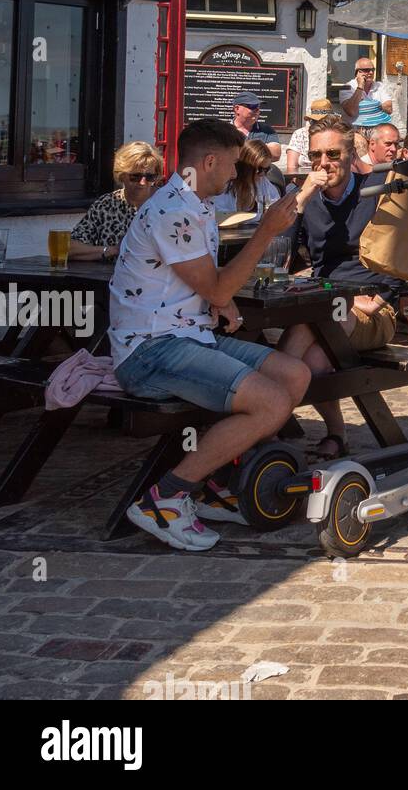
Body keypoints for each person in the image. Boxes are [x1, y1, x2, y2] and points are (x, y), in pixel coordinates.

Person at [110, 120, 307, 551]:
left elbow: (205, 284)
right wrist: (265, 232)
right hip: (149, 349)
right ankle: (166, 498)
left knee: (294, 375)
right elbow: (216, 286)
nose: (236, 174)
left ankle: (218, 484)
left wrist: (222, 300)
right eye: (233, 165)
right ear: (210, 161)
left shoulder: (195, 202)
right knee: (270, 402)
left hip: (189, 335)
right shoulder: (173, 210)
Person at [281, 117, 403, 460]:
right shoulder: (306, 199)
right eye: (316, 155)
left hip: (371, 309)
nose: (323, 163)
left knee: (313, 331)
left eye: (333, 154)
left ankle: (270, 417)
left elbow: (405, 243)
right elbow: (280, 254)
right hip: (324, 301)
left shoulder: (375, 188)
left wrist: (381, 298)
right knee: (311, 358)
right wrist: (302, 197)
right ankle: (325, 430)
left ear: (351, 155)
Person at [70, 141, 164, 262]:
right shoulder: (107, 204)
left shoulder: (168, 204)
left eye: (150, 177)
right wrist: (113, 250)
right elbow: (70, 248)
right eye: (135, 176)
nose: (142, 182)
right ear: (122, 174)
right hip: (110, 279)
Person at [211, 139, 281, 220]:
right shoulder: (226, 184)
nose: (263, 174)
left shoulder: (262, 181)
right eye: (260, 169)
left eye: (267, 169)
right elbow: (220, 215)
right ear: (247, 168)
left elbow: (275, 204)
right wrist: (259, 217)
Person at [285, 97, 335, 176]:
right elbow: (291, 167)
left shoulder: (336, 134)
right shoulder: (300, 134)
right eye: (316, 121)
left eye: (324, 121)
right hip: (302, 180)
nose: (320, 124)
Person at [231, 91, 281, 161]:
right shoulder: (225, 130)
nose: (257, 110)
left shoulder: (267, 130)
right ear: (237, 109)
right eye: (253, 106)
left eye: (258, 107)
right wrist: (262, 148)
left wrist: (239, 149)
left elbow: (276, 154)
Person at [340, 56, 393, 120]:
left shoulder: (380, 86)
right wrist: (360, 87)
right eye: (367, 70)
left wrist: (363, 106)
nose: (371, 73)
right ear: (358, 73)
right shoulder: (347, 87)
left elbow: (389, 109)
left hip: (375, 128)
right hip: (354, 128)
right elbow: (351, 111)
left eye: (373, 70)